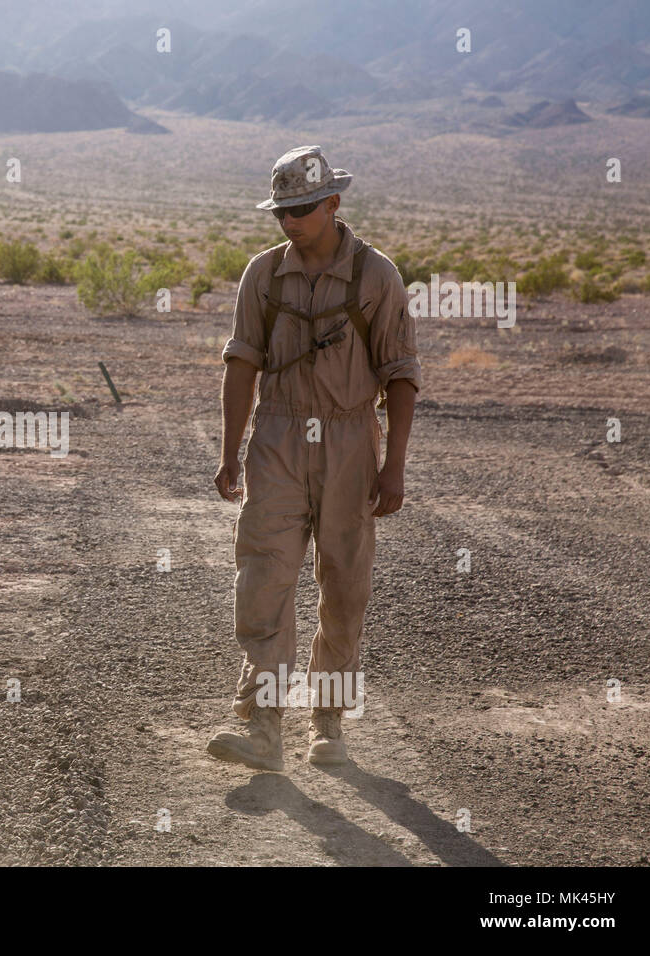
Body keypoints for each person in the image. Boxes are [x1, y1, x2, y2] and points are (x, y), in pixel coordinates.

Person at [208, 145, 422, 770]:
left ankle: (328, 723)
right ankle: (264, 728)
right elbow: (241, 363)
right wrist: (230, 452)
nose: (290, 221)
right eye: (281, 211)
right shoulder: (262, 275)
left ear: (332, 203)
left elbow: (401, 374)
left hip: (351, 441)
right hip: (276, 441)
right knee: (264, 580)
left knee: (344, 586)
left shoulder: (376, 277)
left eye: (302, 208)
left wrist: (395, 465)